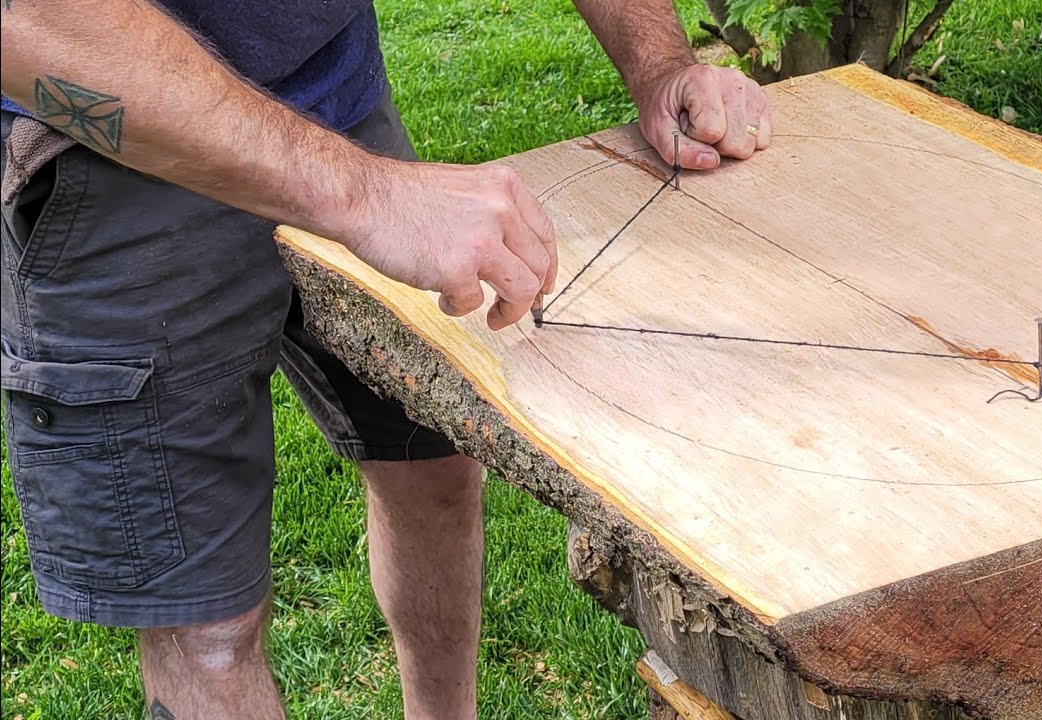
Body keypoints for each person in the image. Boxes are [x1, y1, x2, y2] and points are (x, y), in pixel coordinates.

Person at [0, 0, 771, 717]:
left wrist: (659, 62)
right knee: (208, 631)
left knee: (431, 461)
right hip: (108, 142)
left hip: (334, 96)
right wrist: (367, 198)